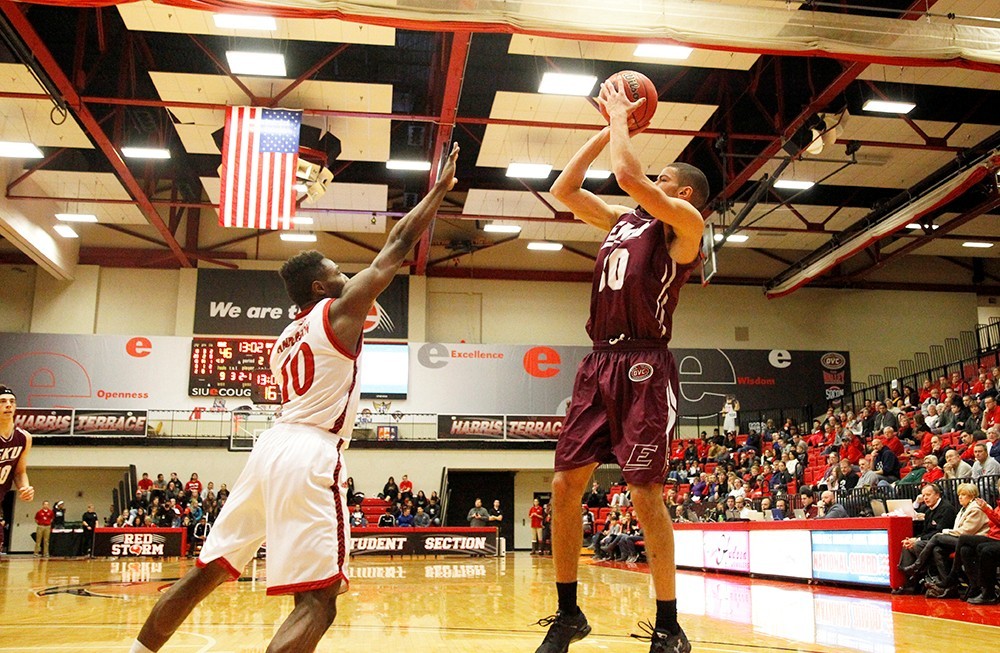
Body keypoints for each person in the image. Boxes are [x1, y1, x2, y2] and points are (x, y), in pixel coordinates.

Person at [129, 143, 460, 653]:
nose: (347, 277)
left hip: (270, 447)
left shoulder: (287, 335)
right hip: (309, 451)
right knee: (320, 598)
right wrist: (437, 192)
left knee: (207, 571)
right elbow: (397, 243)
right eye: (337, 273)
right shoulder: (338, 312)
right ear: (318, 285)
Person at [533, 79, 708, 653]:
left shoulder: (684, 225)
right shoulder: (621, 223)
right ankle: (567, 614)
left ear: (682, 192)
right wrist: (605, 128)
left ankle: (669, 622)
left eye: (664, 180)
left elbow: (632, 176)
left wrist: (619, 120)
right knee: (563, 486)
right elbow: (564, 187)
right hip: (599, 360)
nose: (651, 182)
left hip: (644, 367)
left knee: (644, 493)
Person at [892, 484, 957, 594]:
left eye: (928, 495)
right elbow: (925, 532)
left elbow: (939, 532)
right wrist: (914, 539)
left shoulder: (947, 509)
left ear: (937, 495)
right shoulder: (928, 511)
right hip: (930, 541)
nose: (925, 498)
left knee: (917, 545)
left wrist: (918, 540)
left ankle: (924, 575)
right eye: (923, 495)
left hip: (945, 542)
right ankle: (910, 585)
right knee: (907, 545)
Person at [0, 386, 34, 509]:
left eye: (12, 401)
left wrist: (24, 488)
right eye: (2, 401)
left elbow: (19, 472)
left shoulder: (24, 438)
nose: (8, 405)